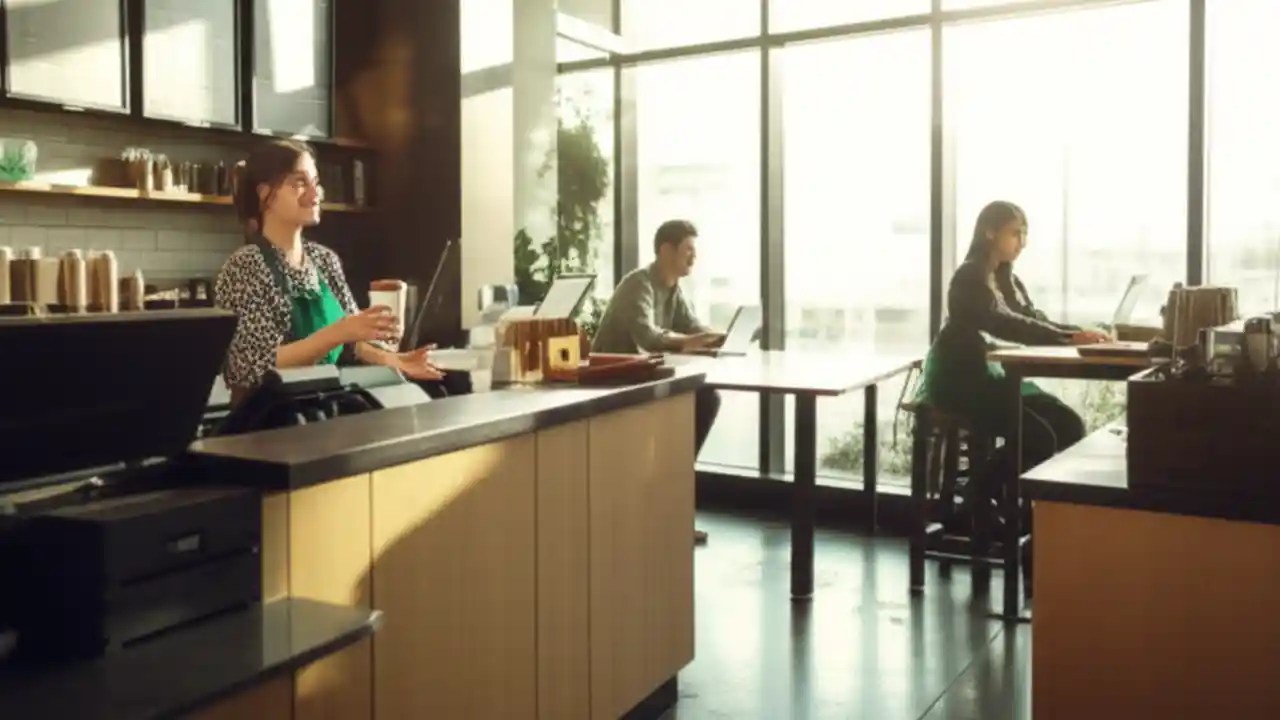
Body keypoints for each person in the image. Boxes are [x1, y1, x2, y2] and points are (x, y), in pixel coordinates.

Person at [215, 140, 442, 402]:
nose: (315, 195)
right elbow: (249, 367)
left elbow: (353, 343)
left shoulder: (323, 261)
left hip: (323, 407)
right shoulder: (246, 267)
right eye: (299, 183)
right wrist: (339, 332)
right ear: (265, 194)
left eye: (315, 182)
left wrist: (395, 360)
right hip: (270, 423)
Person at [918, 200, 1106, 511]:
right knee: (1040, 438)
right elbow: (1004, 324)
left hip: (992, 376)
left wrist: (1076, 334)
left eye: (1025, 234)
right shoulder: (969, 277)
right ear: (990, 233)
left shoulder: (1007, 278)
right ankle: (980, 496)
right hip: (959, 378)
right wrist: (1067, 338)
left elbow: (1032, 319)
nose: (1023, 242)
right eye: (1016, 233)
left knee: (1069, 424)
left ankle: (1033, 513)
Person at [592, 219, 724, 544]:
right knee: (697, 404)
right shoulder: (638, 284)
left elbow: (691, 327)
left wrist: (718, 337)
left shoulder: (674, 290)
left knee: (707, 398)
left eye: (695, 251)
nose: (694, 258)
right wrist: (689, 342)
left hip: (644, 380)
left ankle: (672, 494)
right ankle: (664, 503)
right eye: (688, 251)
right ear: (666, 250)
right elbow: (647, 336)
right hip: (613, 382)